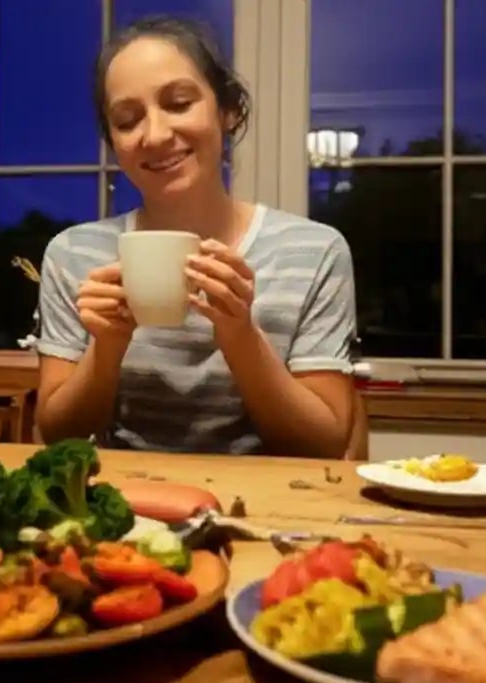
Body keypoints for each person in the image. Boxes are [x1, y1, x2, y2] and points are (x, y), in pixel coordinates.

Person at [32, 15, 359, 459]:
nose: (156, 134)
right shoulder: (74, 254)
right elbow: (58, 436)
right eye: (127, 120)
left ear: (229, 111)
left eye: (179, 103)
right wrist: (106, 347)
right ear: (112, 142)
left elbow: (324, 444)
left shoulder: (315, 251)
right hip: (126, 507)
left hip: (270, 510)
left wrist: (240, 335)